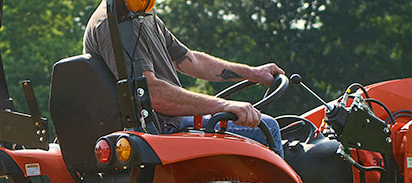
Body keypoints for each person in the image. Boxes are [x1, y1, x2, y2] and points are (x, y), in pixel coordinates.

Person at [83, 1, 285, 154]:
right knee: (268, 128)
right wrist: (222, 105)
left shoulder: (143, 16)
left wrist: (253, 73)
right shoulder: (115, 25)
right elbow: (151, 94)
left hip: (167, 125)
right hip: (161, 130)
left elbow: (190, 61)